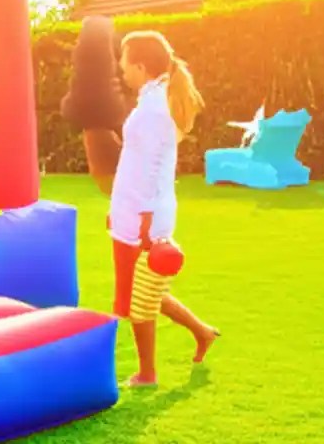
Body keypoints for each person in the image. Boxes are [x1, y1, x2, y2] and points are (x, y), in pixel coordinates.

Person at [111, 30, 219, 388]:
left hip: (146, 220)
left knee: (135, 302)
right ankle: (202, 332)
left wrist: (144, 220)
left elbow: (155, 167)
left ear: (140, 66)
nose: (122, 69)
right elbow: (135, 163)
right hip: (133, 215)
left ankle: (147, 374)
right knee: (143, 292)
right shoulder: (150, 101)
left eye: (125, 63)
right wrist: (120, 210)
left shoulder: (155, 109)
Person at [60, 16, 131, 196]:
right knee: (108, 170)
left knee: (103, 171)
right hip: (104, 114)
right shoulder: (107, 57)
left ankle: (123, 205)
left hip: (93, 116)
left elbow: (81, 87)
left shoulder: (85, 58)